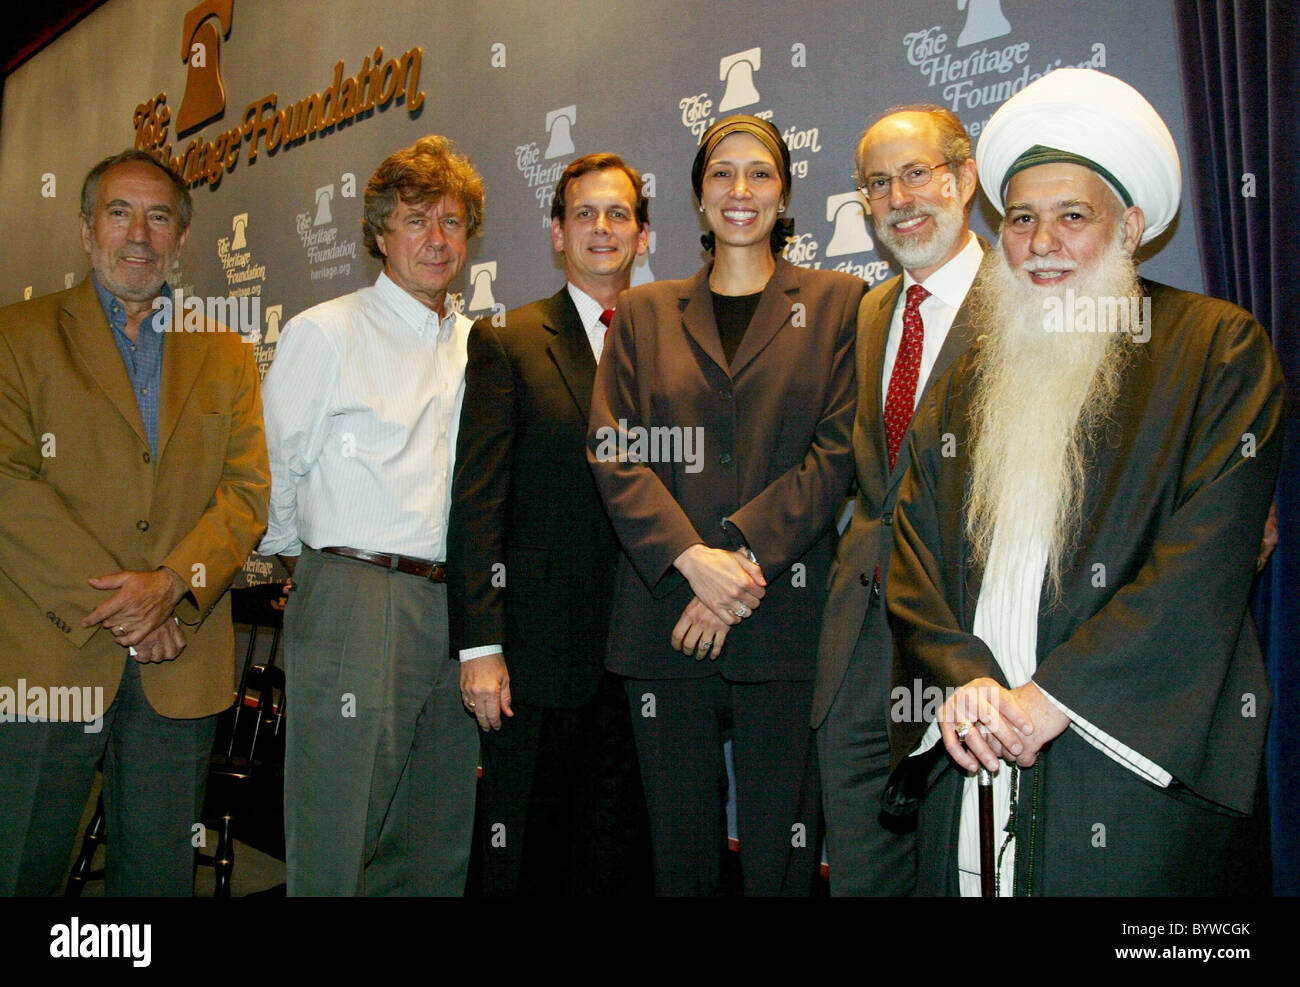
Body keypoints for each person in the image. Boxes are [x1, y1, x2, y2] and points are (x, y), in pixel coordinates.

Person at [887, 68, 1283, 895]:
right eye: (1022, 219)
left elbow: (1204, 563)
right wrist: (966, 684)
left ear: (1131, 227)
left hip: (1128, 769)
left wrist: (1052, 698)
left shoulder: (1215, 350)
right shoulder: (969, 379)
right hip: (974, 752)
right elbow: (913, 554)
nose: (1039, 242)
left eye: (1074, 217)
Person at [588, 115, 865, 895]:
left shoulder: (842, 303)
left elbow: (838, 451)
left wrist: (739, 566)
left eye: (760, 173)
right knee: (680, 854)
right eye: (721, 174)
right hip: (664, 619)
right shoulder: (643, 312)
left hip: (786, 618)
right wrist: (691, 561)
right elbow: (614, 449)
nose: (739, 190)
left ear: (784, 194)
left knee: (782, 851)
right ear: (698, 197)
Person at [0, 149, 269, 895]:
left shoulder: (227, 352)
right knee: (18, 865)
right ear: (87, 231)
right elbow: (8, 485)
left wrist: (174, 583)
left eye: (159, 218)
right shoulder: (16, 336)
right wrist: (131, 605)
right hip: (46, 654)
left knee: (154, 883)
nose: (139, 235)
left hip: (176, 665)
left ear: (182, 238)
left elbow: (246, 491)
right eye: (120, 213)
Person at [259, 135, 483, 896]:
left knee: (434, 838)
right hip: (357, 593)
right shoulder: (326, 332)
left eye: (452, 223)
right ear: (380, 234)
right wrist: (314, 571)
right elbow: (273, 475)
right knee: (337, 833)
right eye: (416, 220)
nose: (436, 240)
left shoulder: (478, 346)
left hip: (457, 609)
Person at [448, 152, 653, 896]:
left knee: (617, 861)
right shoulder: (508, 340)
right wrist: (480, 644)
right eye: (585, 214)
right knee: (522, 859)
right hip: (534, 664)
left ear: (644, 234)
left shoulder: (669, 344)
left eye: (619, 213)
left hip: (643, 663)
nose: (603, 227)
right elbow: (477, 505)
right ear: (558, 234)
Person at [812, 105, 983, 896]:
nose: (899, 197)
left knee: (953, 859)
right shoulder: (873, 310)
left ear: (964, 176)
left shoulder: (1024, 296)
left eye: (917, 172)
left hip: (963, 638)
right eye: (879, 183)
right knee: (861, 860)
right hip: (857, 644)